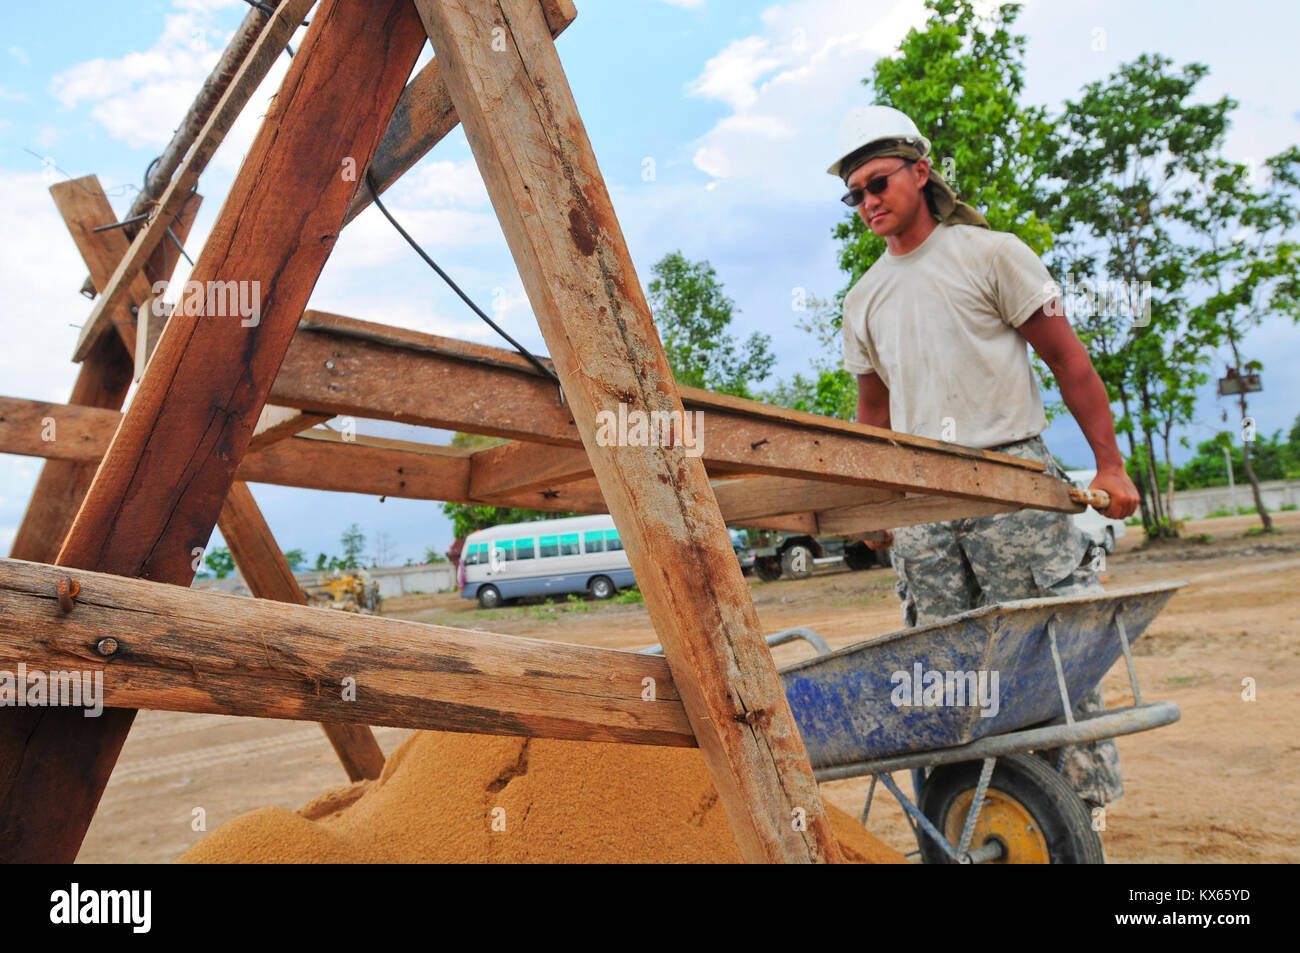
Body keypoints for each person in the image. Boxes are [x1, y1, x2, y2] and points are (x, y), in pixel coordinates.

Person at [829, 105, 1141, 808]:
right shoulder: (864, 299)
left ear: (920, 170)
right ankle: (969, 820)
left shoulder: (992, 254)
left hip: (1011, 481)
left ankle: (1077, 821)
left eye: (878, 182)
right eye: (854, 193)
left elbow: (1069, 360)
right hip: (920, 500)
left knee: (1050, 651)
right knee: (943, 673)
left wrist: (1109, 465)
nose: (868, 201)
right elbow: (872, 418)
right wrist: (874, 506)